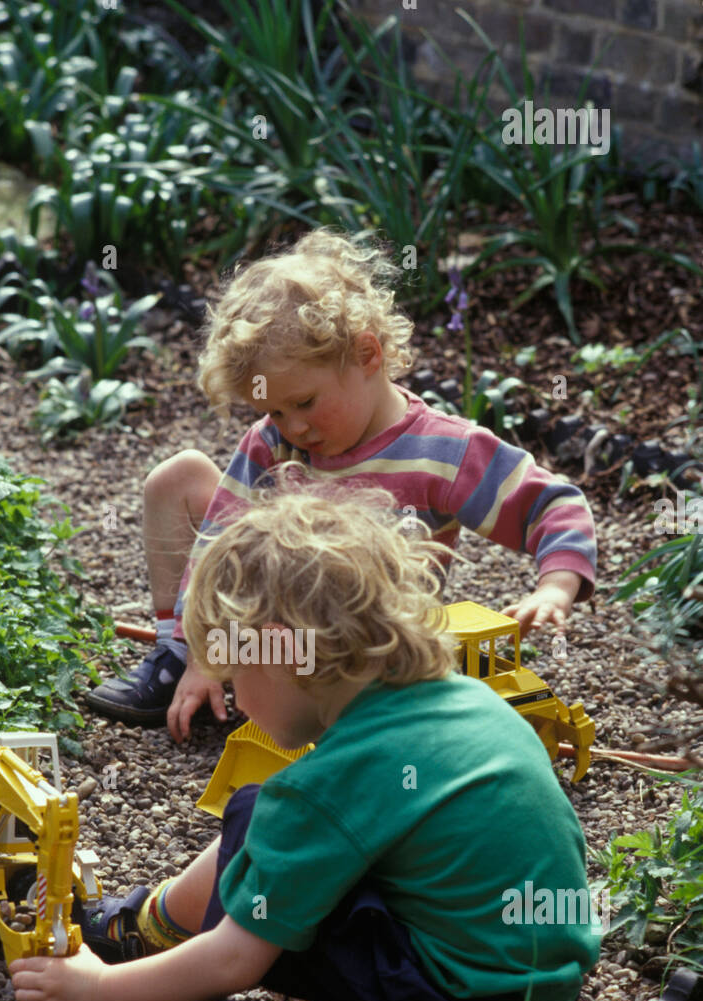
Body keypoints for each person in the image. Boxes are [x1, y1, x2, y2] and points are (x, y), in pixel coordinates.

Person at [11, 486, 601, 1001]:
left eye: (234, 671)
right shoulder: (468, 702)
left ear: (278, 650)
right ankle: (154, 924)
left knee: (268, 825)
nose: (235, 697)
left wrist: (95, 993)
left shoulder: (332, 782)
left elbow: (233, 960)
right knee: (265, 820)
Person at [86, 226, 596, 743]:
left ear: (368, 355)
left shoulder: (443, 452)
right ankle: (175, 658)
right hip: (274, 642)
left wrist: (556, 585)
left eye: (304, 403)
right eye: (273, 410)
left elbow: (552, 505)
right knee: (179, 477)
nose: (293, 427)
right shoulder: (272, 443)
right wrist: (205, 654)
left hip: (367, 655)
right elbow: (219, 545)